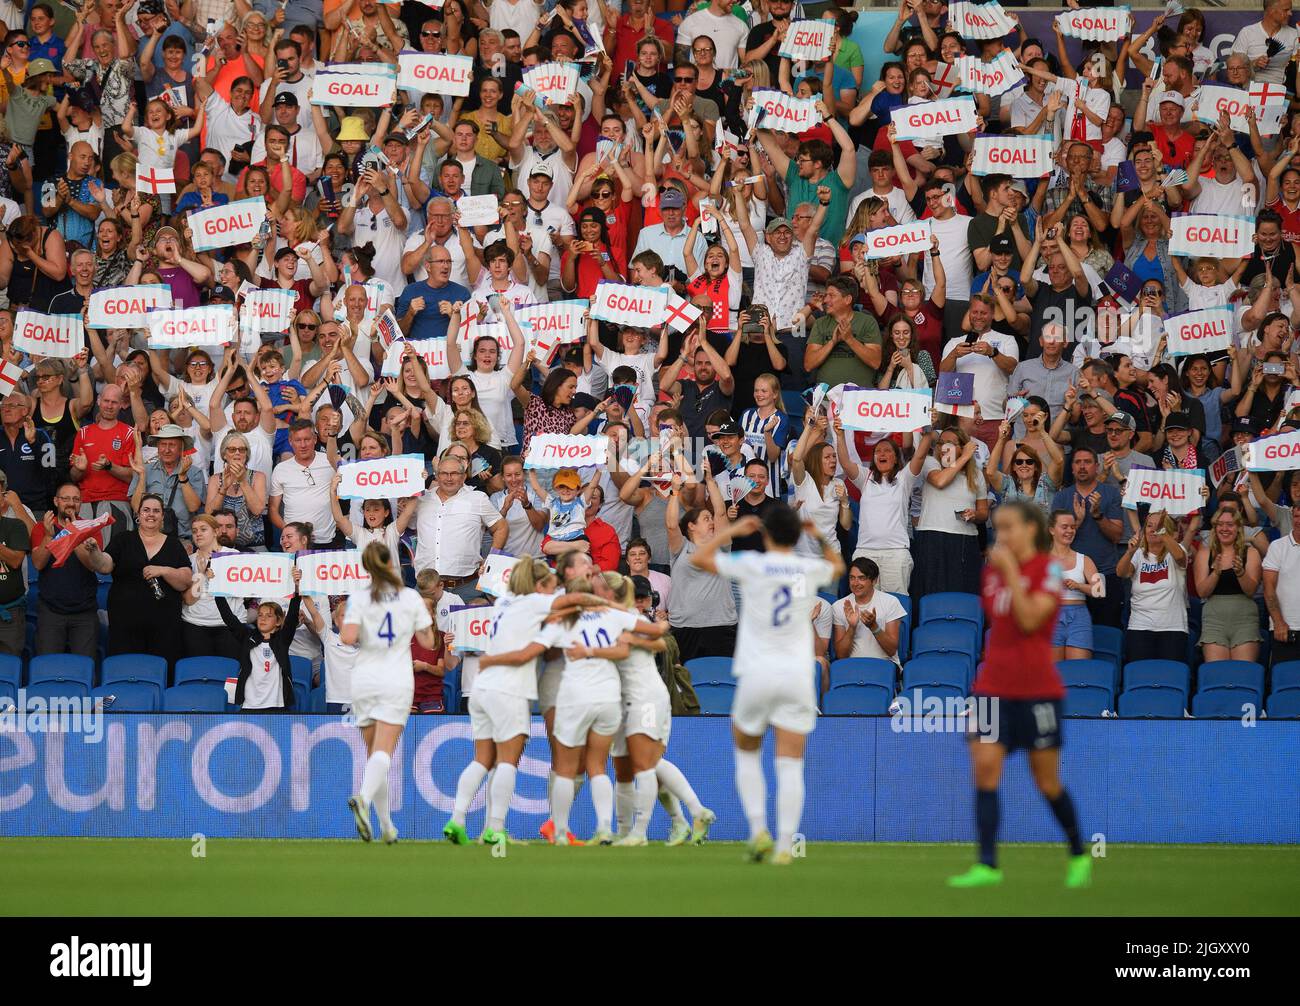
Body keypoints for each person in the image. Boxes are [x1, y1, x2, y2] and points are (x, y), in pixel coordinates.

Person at [947, 501, 1091, 890]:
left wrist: (1011, 572)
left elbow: (1030, 621)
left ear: (1030, 529)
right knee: (985, 770)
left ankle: (1078, 851)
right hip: (992, 688)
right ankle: (987, 864)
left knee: (1046, 782)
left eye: (1009, 527)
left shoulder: (1048, 570)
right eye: (998, 529)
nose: (1002, 536)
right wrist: (1006, 571)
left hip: (1038, 691)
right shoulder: (992, 572)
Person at [691, 503, 843, 865]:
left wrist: (731, 531)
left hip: (757, 672)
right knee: (790, 764)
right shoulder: (808, 568)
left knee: (747, 752)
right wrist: (819, 534)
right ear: (797, 533)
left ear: (764, 532)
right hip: (796, 674)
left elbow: (699, 559)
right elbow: (838, 567)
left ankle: (758, 828)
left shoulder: (753, 565)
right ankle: (785, 846)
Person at [443, 559, 600, 846]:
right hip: (510, 690)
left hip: (481, 687)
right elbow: (575, 599)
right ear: (540, 586)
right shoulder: (534, 602)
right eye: (550, 586)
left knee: (482, 759)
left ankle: (457, 819)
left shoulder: (505, 602)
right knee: (507, 761)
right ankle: (496, 828)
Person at [343, 542, 436, 845]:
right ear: (392, 563)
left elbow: (347, 637)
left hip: (364, 678)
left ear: (366, 567)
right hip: (396, 678)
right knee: (383, 752)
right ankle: (363, 800)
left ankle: (387, 827)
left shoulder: (360, 598)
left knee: (374, 756)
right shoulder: (410, 597)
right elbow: (429, 641)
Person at [105, 493, 193, 667]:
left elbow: (185, 580)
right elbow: (104, 565)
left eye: (156, 511)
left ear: (162, 516)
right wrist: (93, 552)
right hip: (125, 623)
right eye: (146, 510)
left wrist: (164, 570)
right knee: (125, 669)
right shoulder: (122, 539)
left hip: (164, 627)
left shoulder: (174, 545)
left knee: (160, 672)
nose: (151, 514)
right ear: (138, 514)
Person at [214, 568, 304, 712]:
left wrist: (297, 588)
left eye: (269, 616)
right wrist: (216, 588)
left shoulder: (282, 640)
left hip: (277, 705)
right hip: (250, 705)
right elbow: (228, 618)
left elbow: (292, 615)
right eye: (260, 615)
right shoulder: (247, 637)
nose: (262, 618)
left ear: (279, 621)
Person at [1118, 509, 1190, 664]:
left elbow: (1180, 557)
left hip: (1173, 627)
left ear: (1167, 530)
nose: (1152, 530)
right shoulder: (1138, 554)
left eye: (1158, 526)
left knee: (1170, 679)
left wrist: (1162, 534)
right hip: (1139, 626)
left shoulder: (1177, 551)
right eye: (1149, 526)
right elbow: (1122, 573)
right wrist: (1129, 553)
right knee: (1140, 677)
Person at [1193, 507, 1263, 665]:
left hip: (1244, 619)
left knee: (1243, 674)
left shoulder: (1251, 553)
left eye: (1230, 524)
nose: (1224, 528)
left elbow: (1251, 591)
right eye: (1220, 524)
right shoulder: (1204, 553)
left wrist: (1240, 572)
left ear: (1238, 528)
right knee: (1217, 673)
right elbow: (1202, 592)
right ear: (1215, 527)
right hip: (1214, 619)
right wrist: (1216, 573)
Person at [832, 557, 905, 666]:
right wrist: (852, 627)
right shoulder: (839, 606)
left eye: (862, 578)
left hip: (884, 664)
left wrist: (874, 626)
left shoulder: (890, 602)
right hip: (851, 665)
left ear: (874, 581)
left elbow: (891, 650)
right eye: (852, 578)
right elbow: (841, 655)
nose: (855, 583)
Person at [1048, 510, 1097, 662]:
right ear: (1051, 530)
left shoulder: (1084, 559)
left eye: (1073, 527)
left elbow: (1099, 591)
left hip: (1079, 616)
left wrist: (1078, 586)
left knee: (1079, 672)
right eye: (1064, 527)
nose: (1070, 531)